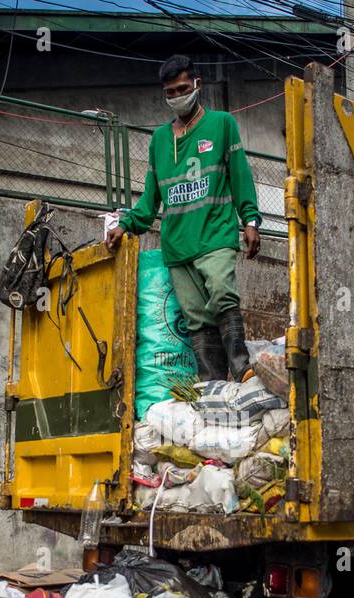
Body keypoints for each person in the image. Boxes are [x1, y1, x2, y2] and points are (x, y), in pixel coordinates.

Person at [106, 53, 262, 382]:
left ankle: (241, 367)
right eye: (170, 92)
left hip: (216, 236)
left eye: (182, 88)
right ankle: (212, 384)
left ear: (197, 85)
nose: (177, 97)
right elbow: (150, 201)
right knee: (197, 320)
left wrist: (250, 220)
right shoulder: (159, 140)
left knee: (222, 294)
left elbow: (240, 177)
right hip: (177, 247)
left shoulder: (222, 124)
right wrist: (126, 225)